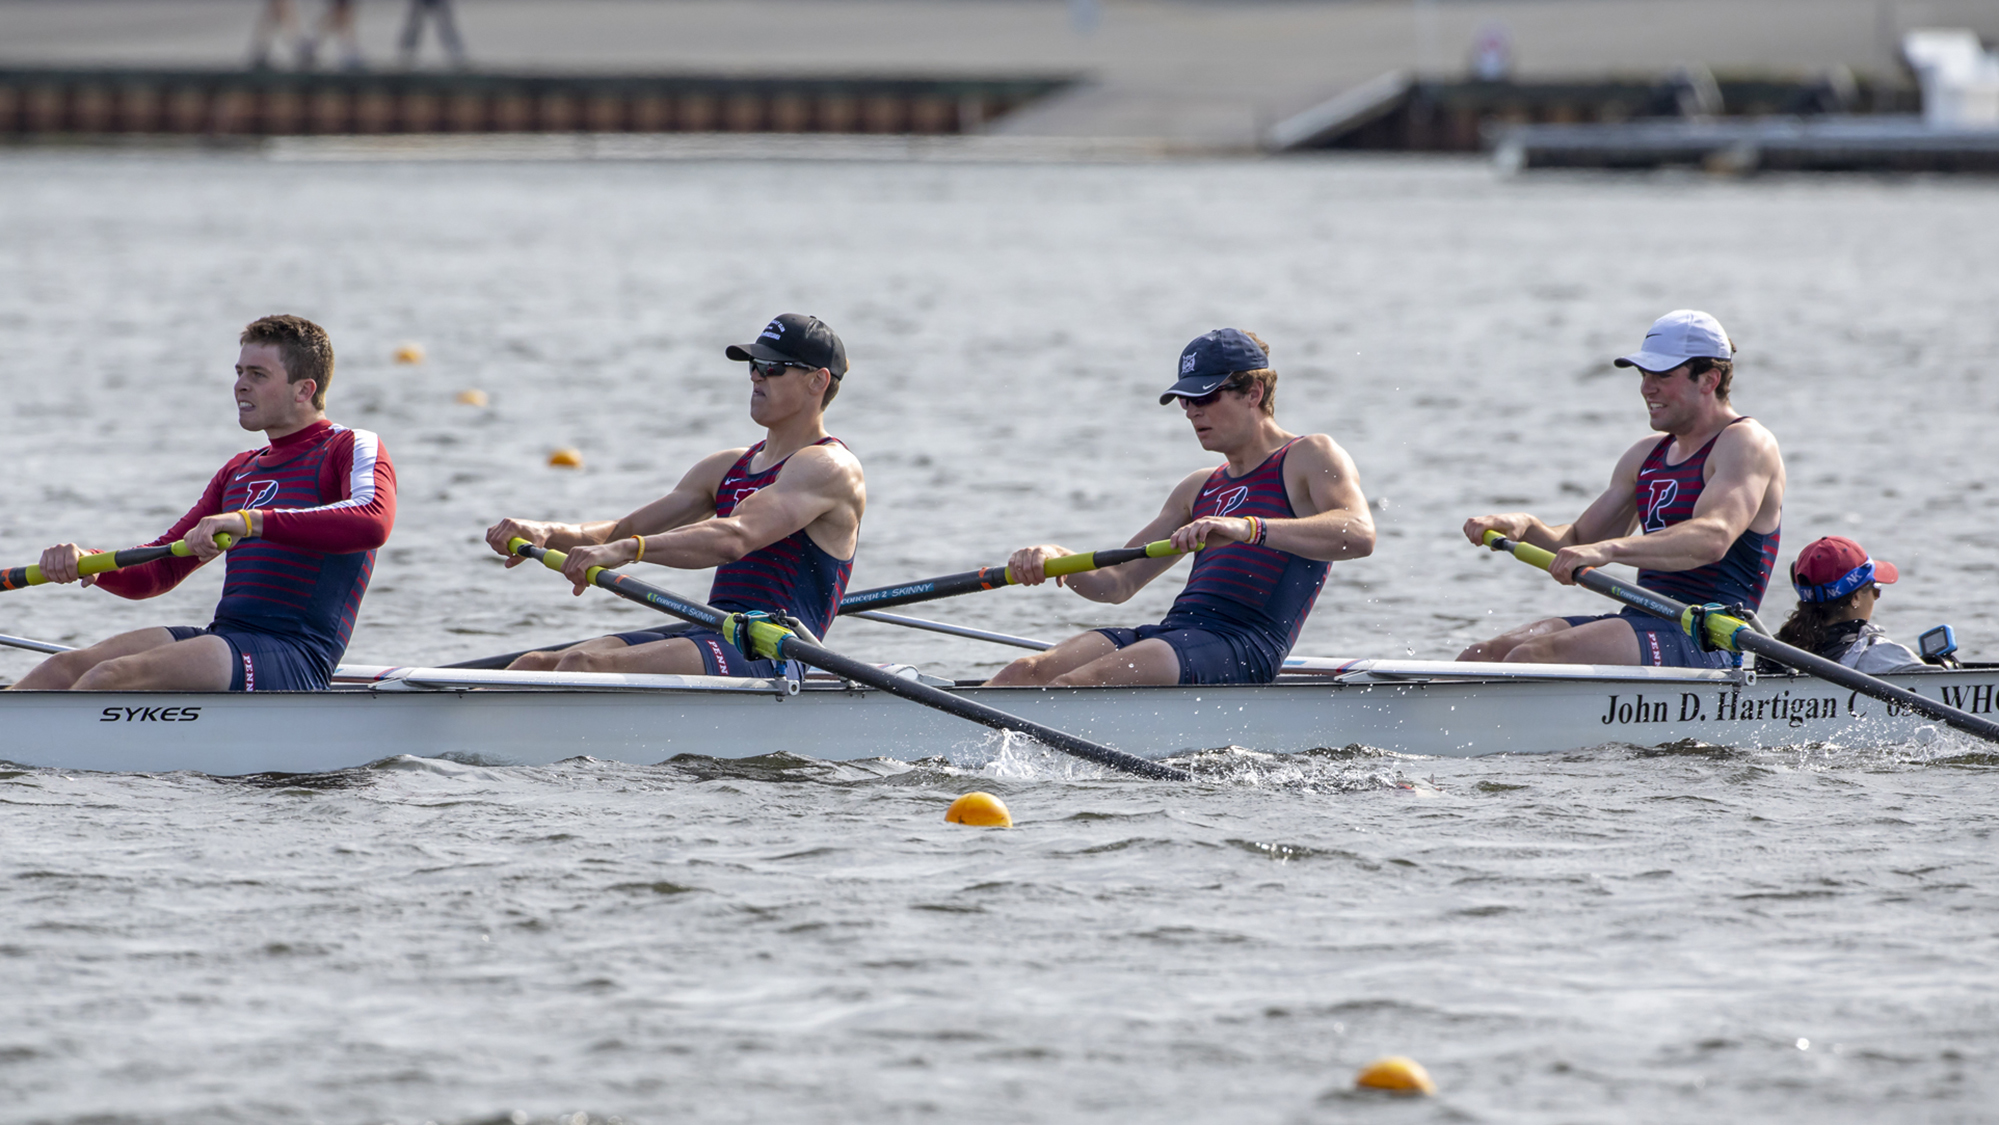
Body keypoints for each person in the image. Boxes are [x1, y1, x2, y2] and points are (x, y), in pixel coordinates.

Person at [10, 316, 396, 691]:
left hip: (294, 655)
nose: (240, 386)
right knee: (62, 669)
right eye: (239, 372)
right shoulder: (240, 469)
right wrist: (88, 561)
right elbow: (159, 571)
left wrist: (250, 521)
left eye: (257, 375)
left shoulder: (349, 446)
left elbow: (372, 521)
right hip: (227, 640)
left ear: (304, 389)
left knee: (108, 678)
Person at [986, 329, 1374, 688]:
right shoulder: (1199, 486)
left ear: (1253, 393)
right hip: (1176, 635)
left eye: (1205, 397)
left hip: (1243, 645)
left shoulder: (1309, 455)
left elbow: (1358, 533)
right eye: (1185, 401)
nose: (1191, 411)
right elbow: (1117, 582)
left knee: (1078, 684)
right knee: (1024, 674)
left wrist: (1248, 529)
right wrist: (1056, 557)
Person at [485, 314, 864, 679]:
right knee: (532, 665)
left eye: (772, 367)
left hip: (775, 651)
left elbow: (735, 537)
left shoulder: (830, 467)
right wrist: (544, 532)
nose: (755, 376)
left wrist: (626, 551)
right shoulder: (727, 466)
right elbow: (622, 529)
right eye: (752, 365)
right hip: (716, 629)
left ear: (818, 381)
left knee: (581, 665)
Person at [1459, 309, 1785, 668]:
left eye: (1661, 375)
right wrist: (1525, 526)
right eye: (1644, 374)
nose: (1646, 387)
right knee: (1482, 655)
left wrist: (1608, 551)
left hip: (1708, 638)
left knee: (1532, 656)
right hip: (1642, 623)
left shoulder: (1745, 442)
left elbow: (1714, 537)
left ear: (1709, 379)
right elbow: (1577, 543)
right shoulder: (1645, 455)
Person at [1773, 536, 1924, 673]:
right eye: (1876, 588)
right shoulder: (1885, 657)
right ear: (1855, 598)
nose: (1877, 596)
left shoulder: (1772, 653)